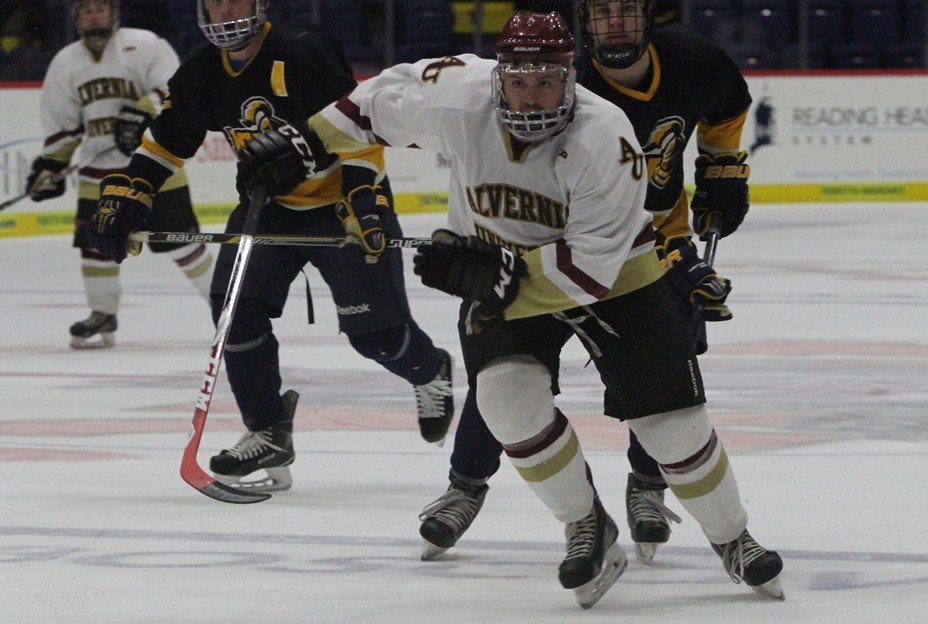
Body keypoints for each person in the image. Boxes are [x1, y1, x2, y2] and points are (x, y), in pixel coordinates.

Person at [232, 9, 782, 608]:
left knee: (671, 427)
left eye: (547, 81)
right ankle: (586, 525)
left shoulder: (607, 134)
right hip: (500, 273)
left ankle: (733, 537)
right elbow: (372, 107)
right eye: (520, 81)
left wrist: (498, 276)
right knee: (506, 403)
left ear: (570, 78)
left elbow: (589, 268)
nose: (532, 95)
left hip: (617, 277)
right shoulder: (459, 94)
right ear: (499, 76)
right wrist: (304, 145)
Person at [417, 0, 753, 568]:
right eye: (601, 13)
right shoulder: (559, 82)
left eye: (625, 10)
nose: (614, 24)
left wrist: (723, 167)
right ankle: (466, 482)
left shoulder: (694, 61)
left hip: (640, 250)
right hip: (539, 250)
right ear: (582, 23)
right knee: (503, 370)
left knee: (665, 370)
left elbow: (725, 112)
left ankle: (647, 486)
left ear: (652, 16)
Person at [84, 0, 454, 492]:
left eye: (234, 1)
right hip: (269, 205)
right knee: (235, 313)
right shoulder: (200, 69)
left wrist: (363, 201)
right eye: (213, 4)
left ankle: (430, 371)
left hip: (343, 202)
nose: (223, 12)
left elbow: (360, 125)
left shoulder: (304, 52)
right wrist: (135, 186)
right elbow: (169, 139)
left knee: (377, 336)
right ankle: (268, 430)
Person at [25, 0, 215, 349]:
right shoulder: (65, 62)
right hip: (97, 173)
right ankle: (102, 312)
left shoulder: (145, 44)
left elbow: (175, 88)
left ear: (113, 13)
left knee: (181, 241)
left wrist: (144, 111)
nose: (94, 15)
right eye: (86, 10)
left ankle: (223, 305)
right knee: (95, 244)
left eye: (100, 9)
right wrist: (51, 164)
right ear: (77, 18)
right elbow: (62, 123)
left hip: (155, 164)